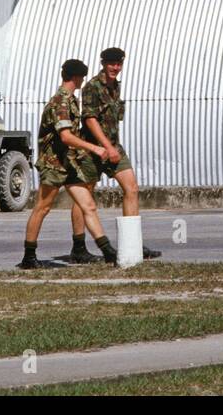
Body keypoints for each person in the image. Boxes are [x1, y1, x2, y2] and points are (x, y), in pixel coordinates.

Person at [19, 59, 117, 269]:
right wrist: (95, 148)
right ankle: (29, 256)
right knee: (42, 208)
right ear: (76, 77)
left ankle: (108, 251)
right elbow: (66, 137)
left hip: (69, 162)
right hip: (54, 164)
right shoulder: (61, 102)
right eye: (81, 77)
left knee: (88, 205)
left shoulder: (71, 100)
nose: (82, 81)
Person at [67, 46, 162, 263]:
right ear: (103, 63)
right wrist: (106, 148)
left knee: (132, 188)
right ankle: (78, 248)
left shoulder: (115, 86)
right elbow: (89, 119)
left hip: (113, 146)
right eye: (111, 63)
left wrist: (112, 147)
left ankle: (132, 243)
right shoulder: (92, 86)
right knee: (85, 194)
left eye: (118, 64)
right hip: (92, 148)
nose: (115, 68)